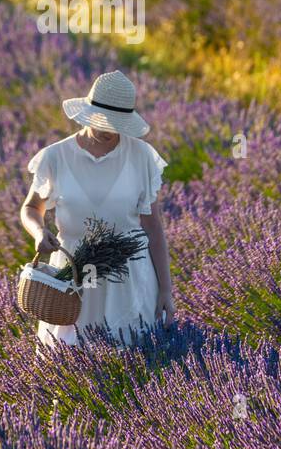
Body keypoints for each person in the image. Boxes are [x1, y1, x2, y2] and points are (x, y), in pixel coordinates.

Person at [20, 69, 175, 347]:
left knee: (132, 358)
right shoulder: (56, 157)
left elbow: (153, 228)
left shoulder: (142, 157)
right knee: (67, 356)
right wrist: (39, 232)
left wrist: (166, 290)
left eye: (116, 123)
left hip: (129, 276)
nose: (107, 129)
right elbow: (31, 208)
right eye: (102, 120)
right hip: (74, 276)